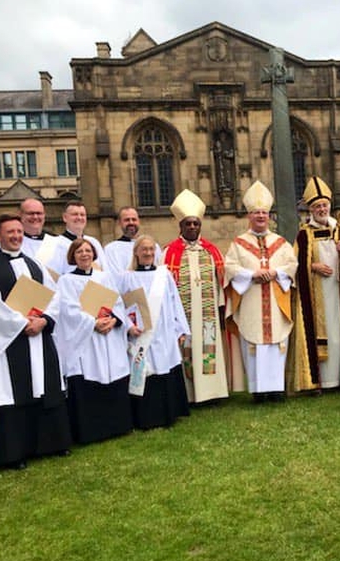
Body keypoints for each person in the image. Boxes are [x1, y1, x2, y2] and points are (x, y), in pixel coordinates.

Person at [0, 214, 72, 469]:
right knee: (14, 395)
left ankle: (52, 444)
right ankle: (15, 453)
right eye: (10, 232)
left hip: (39, 337)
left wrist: (44, 320)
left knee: (45, 387)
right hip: (9, 343)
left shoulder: (35, 265)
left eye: (19, 231)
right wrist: (21, 323)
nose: (16, 236)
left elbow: (54, 296)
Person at [224, 180, 298, 402]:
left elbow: (292, 265)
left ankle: (276, 390)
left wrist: (275, 273)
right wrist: (252, 275)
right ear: (249, 216)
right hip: (252, 300)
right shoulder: (238, 244)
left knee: (276, 345)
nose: (260, 217)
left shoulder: (281, 242)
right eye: (256, 213)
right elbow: (229, 267)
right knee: (254, 344)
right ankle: (258, 391)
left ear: (269, 216)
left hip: (275, 300)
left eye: (264, 213)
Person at [55, 238, 134, 443]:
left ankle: (118, 426)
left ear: (94, 254)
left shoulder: (105, 277)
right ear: (72, 256)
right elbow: (68, 310)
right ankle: (92, 430)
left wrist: (114, 320)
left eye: (88, 250)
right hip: (86, 340)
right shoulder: (66, 281)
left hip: (108, 337)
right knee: (89, 378)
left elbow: (117, 302)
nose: (84, 254)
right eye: (79, 251)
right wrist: (93, 322)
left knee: (113, 375)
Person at [291, 176, 340, 392]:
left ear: (329, 206)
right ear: (311, 210)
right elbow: (296, 264)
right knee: (321, 332)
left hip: (338, 291)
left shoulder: (339, 231)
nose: (322, 209)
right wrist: (313, 267)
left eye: (324, 205)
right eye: (317, 206)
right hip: (316, 294)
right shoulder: (304, 234)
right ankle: (320, 381)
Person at [165, 189, 230, 405]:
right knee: (186, 351)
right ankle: (190, 395)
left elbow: (220, 283)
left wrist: (221, 307)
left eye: (196, 223)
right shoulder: (169, 252)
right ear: (180, 226)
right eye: (188, 224)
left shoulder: (211, 251)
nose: (192, 227)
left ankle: (211, 394)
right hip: (183, 315)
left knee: (208, 349)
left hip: (208, 314)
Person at [119, 235, 191, 428]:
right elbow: (119, 305)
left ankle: (169, 414)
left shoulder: (163, 274)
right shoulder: (127, 277)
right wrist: (128, 326)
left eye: (151, 249)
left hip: (165, 331)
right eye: (144, 249)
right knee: (146, 371)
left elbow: (175, 301)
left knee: (165, 368)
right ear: (136, 252)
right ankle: (147, 417)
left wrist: (181, 328)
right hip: (141, 333)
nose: (148, 253)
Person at [0, 198, 60, 264]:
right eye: (30, 213)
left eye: (39, 213)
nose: (35, 217)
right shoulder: (8, 240)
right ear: (20, 215)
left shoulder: (56, 241)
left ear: (44, 215)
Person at [47, 201, 106, 276]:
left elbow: (105, 270)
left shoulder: (94, 242)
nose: (79, 218)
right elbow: (53, 274)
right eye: (75, 214)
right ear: (65, 217)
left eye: (82, 215)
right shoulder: (54, 243)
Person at [104, 207, 162, 276]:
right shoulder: (111, 249)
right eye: (127, 220)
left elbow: (159, 270)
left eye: (134, 219)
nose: (131, 222)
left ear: (139, 221)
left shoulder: (153, 246)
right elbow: (113, 275)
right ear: (119, 223)